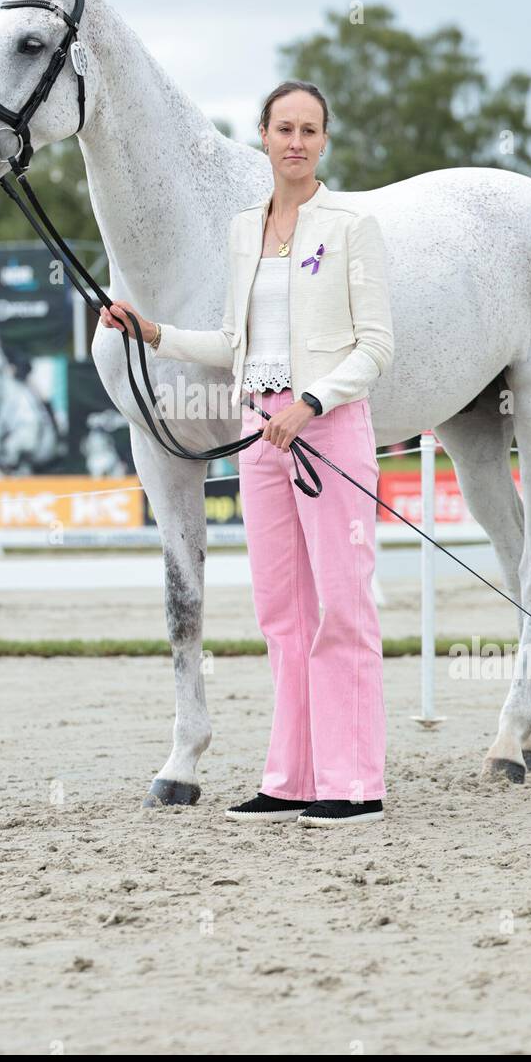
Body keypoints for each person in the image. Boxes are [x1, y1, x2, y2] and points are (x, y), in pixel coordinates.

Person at [100, 80, 394, 829]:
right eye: (283, 128)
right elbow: (234, 345)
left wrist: (313, 402)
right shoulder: (242, 232)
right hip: (261, 436)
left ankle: (355, 782)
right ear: (262, 136)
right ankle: (290, 777)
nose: (296, 141)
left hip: (325, 430)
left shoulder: (352, 226)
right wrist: (152, 332)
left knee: (343, 606)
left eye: (310, 129)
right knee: (281, 613)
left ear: (324, 141)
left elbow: (376, 347)